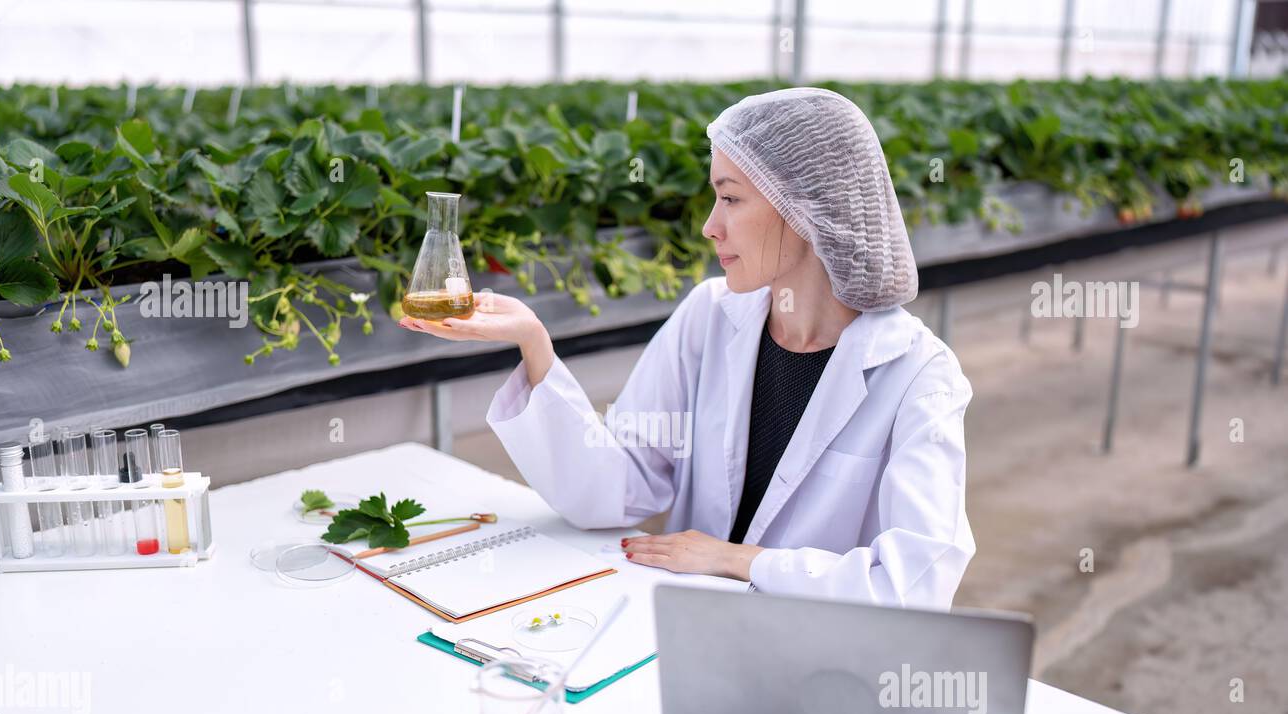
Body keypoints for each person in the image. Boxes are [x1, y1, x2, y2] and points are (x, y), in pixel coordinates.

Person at [401, 87, 975, 609]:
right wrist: (534, 344)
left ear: (804, 208)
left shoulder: (918, 373)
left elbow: (915, 587)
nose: (709, 226)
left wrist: (734, 560)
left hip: (813, 657)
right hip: (690, 627)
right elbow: (618, 486)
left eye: (730, 199)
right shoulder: (709, 316)